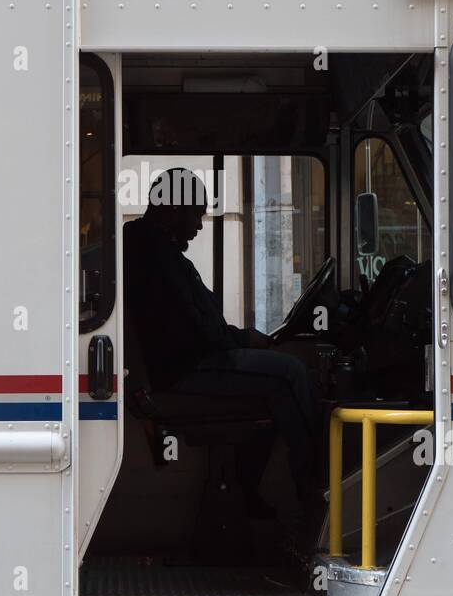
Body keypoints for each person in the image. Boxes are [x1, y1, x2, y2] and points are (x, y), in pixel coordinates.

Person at [123, 168, 318, 516]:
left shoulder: (153, 250)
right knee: (289, 373)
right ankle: (314, 492)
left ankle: (247, 495)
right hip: (183, 370)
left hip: (182, 363)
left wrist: (238, 339)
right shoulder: (156, 258)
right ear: (170, 210)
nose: (199, 226)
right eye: (195, 214)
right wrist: (244, 339)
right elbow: (200, 330)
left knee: (277, 392)